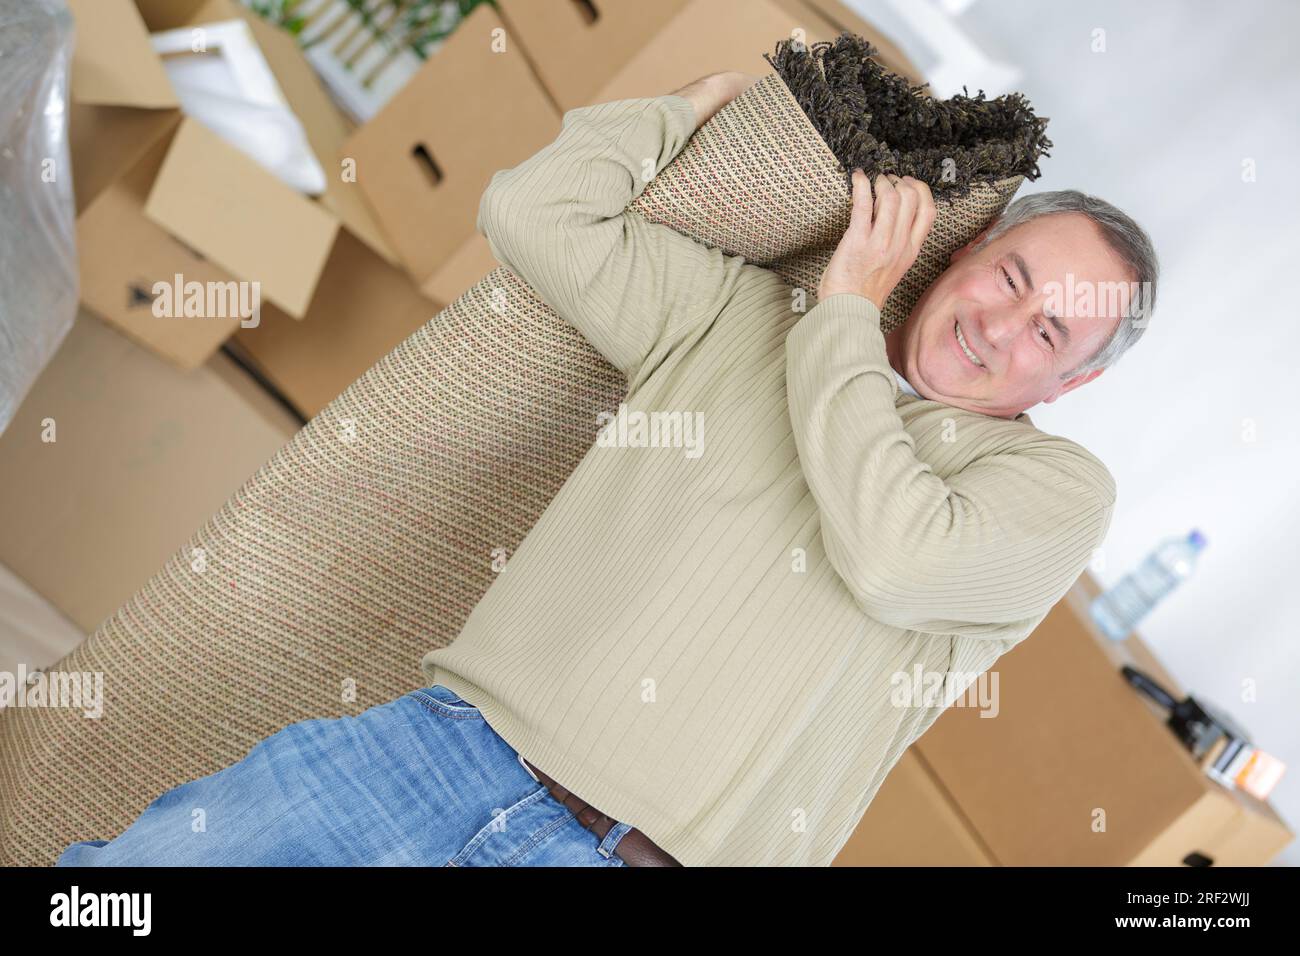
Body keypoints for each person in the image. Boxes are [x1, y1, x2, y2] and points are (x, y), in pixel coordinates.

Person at [57, 69, 1156, 867]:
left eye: (1051, 332)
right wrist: (691, 105)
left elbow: (891, 553)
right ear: (965, 251)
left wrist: (849, 311)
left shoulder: (1051, 496)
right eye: (1011, 276)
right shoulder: (742, 315)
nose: (1004, 325)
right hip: (432, 750)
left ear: (1072, 385)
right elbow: (536, 214)